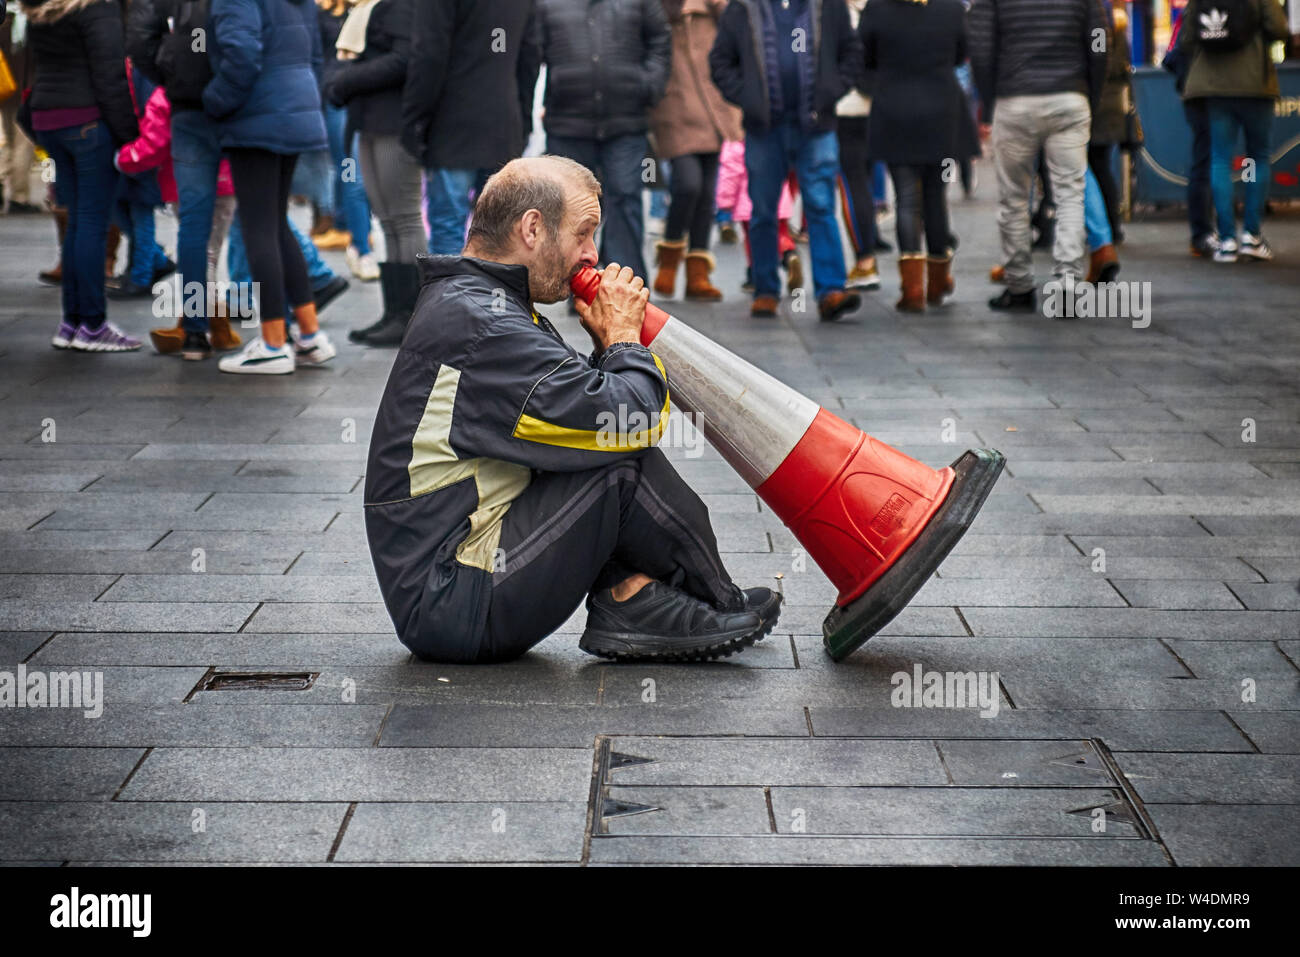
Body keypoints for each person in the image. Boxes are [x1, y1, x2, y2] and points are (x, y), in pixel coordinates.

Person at [364, 155, 782, 663]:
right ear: (533, 228)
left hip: (452, 587)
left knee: (596, 451)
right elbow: (631, 422)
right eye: (583, 234)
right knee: (620, 466)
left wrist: (609, 350)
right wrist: (624, 339)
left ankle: (635, 598)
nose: (592, 253)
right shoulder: (484, 324)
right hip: (454, 597)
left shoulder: (479, 303)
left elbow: (573, 420)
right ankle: (716, 600)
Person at [709, 0, 863, 321]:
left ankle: (831, 290)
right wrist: (748, 97)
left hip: (816, 124)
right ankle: (765, 288)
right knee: (763, 210)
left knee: (820, 205)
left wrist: (832, 88)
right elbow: (720, 61)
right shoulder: (744, 7)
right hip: (765, 128)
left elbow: (852, 52)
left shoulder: (827, 6)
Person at [205, 0, 336, 374]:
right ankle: (309, 335)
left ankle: (274, 343)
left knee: (259, 226)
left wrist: (213, 101)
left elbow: (241, 55)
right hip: (295, 109)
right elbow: (314, 57)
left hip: (257, 116)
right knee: (275, 222)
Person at [969, 0, 1107, 313]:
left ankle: (1019, 286)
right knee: (1071, 193)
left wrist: (990, 101)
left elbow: (980, 47)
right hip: (1069, 99)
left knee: (1014, 198)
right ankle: (1069, 285)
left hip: (1014, 99)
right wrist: (1090, 94)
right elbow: (1099, 42)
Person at [22, 0, 142, 352]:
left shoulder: (42, 9)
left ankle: (71, 322)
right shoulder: (97, 8)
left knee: (77, 221)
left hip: (49, 119)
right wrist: (129, 135)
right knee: (92, 222)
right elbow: (110, 74)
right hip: (87, 121)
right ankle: (92, 323)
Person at [531, 0, 671, 282]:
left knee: (625, 197)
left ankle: (624, 283)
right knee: (570, 206)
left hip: (625, 119)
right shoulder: (546, 4)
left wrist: (649, 85)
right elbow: (531, 51)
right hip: (568, 121)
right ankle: (576, 282)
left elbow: (660, 39)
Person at [860, 0, 975, 312]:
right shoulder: (951, 8)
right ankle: (938, 282)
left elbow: (865, 56)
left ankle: (912, 289)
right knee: (936, 197)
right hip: (941, 107)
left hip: (894, 108)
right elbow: (961, 52)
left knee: (907, 198)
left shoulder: (877, 8)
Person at [402, 0, 539, 258]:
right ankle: (494, 297)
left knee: (448, 232)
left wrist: (415, 119)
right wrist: (523, 121)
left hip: (451, 127)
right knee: (501, 236)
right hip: (502, 125)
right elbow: (529, 59)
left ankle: (453, 297)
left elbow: (429, 55)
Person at [323, 0, 421, 349]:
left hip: (393, 124)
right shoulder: (370, 8)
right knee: (389, 221)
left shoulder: (401, 8)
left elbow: (403, 60)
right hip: (370, 122)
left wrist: (347, 79)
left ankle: (410, 316)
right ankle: (394, 312)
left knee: (404, 219)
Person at [1178, 0, 1289, 263]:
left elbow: (1186, 39)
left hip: (1214, 85)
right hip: (1254, 84)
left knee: (1220, 160)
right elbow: (1279, 29)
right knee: (1255, 157)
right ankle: (1251, 235)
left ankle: (1226, 240)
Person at [649, 0, 742, 301]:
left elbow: (736, 28)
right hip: (674, 105)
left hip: (713, 105)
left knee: (706, 193)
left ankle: (697, 274)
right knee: (688, 184)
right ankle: (670, 255)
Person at [317, 0, 376, 280]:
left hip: (364, 100)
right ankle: (360, 242)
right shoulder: (321, 14)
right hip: (338, 101)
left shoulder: (369, 11)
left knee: (351, 173)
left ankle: (356, 233)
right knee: (350, 172)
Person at [1162, 2, 1217, 257]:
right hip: (1220, 92)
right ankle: (1215, 233)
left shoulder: (1191, 11)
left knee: (1206, 160)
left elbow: (1172, 55)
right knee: (1217, 160)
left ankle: (1205, 233)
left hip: (1196, 93)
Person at [835, 0, 881, 292]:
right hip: (879, 105)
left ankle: (865, 260)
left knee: (854, 183)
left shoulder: (836, 10)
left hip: (847, 106)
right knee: (868, 181)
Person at [1088, 0, 1136, 247]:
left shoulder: (1100, 22)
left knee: (1092, 169)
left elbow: (1100, 60)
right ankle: (1111, 226)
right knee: (1101, 167)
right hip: (1110, 106)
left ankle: (1105, 228)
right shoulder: (1117, 22)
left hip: (1097, 106)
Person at [0, 6, 39, 214]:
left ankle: (1, 182)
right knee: (23, 143)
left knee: (6, 139)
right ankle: (19, 196)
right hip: (25, 90)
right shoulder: (31, 19)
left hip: (4, 88)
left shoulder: (4, 20)